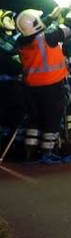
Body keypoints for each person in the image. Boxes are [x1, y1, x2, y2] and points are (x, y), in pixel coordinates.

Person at [15, 9, 70, 160]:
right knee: (51, 120)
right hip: (51, 85)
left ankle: (30, 150)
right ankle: (48, 152)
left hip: (31, 87)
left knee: (35, 120)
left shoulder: (20, 40)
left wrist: (51, 17)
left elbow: (33, 28)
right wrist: (67, 16)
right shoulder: (48, 37)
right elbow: (67, 31)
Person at [0, 11, 23, 144]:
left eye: (12, 18)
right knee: (4, 115)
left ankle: (15, 145)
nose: (12, 21)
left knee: (17, 115)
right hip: (4, 84)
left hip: (17, 83)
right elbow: (9, 48)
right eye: (8, 19)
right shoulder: (4, 40)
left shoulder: (16, 38)